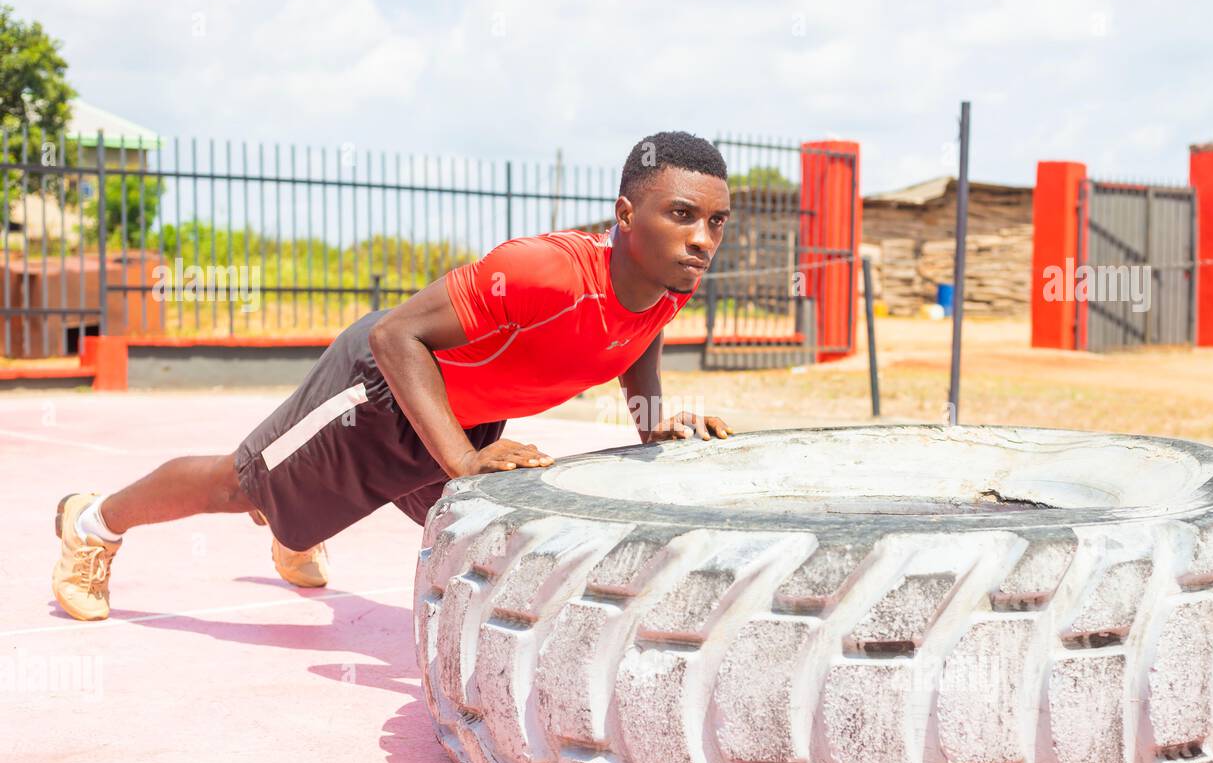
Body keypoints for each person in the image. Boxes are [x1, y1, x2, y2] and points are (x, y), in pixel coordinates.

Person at [52, 130, 736, 621]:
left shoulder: (668, 282)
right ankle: (93, 525)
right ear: (625, 216)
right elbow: (395, 333)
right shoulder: (547, 269)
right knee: (245, 487)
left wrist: (655, 435)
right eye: (682, 215)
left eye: (715, 221)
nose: (703, 237)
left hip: (462, 418)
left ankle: (296, 529)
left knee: (482, 526)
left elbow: (637, 344)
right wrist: (464, 459)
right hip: (378, 390)